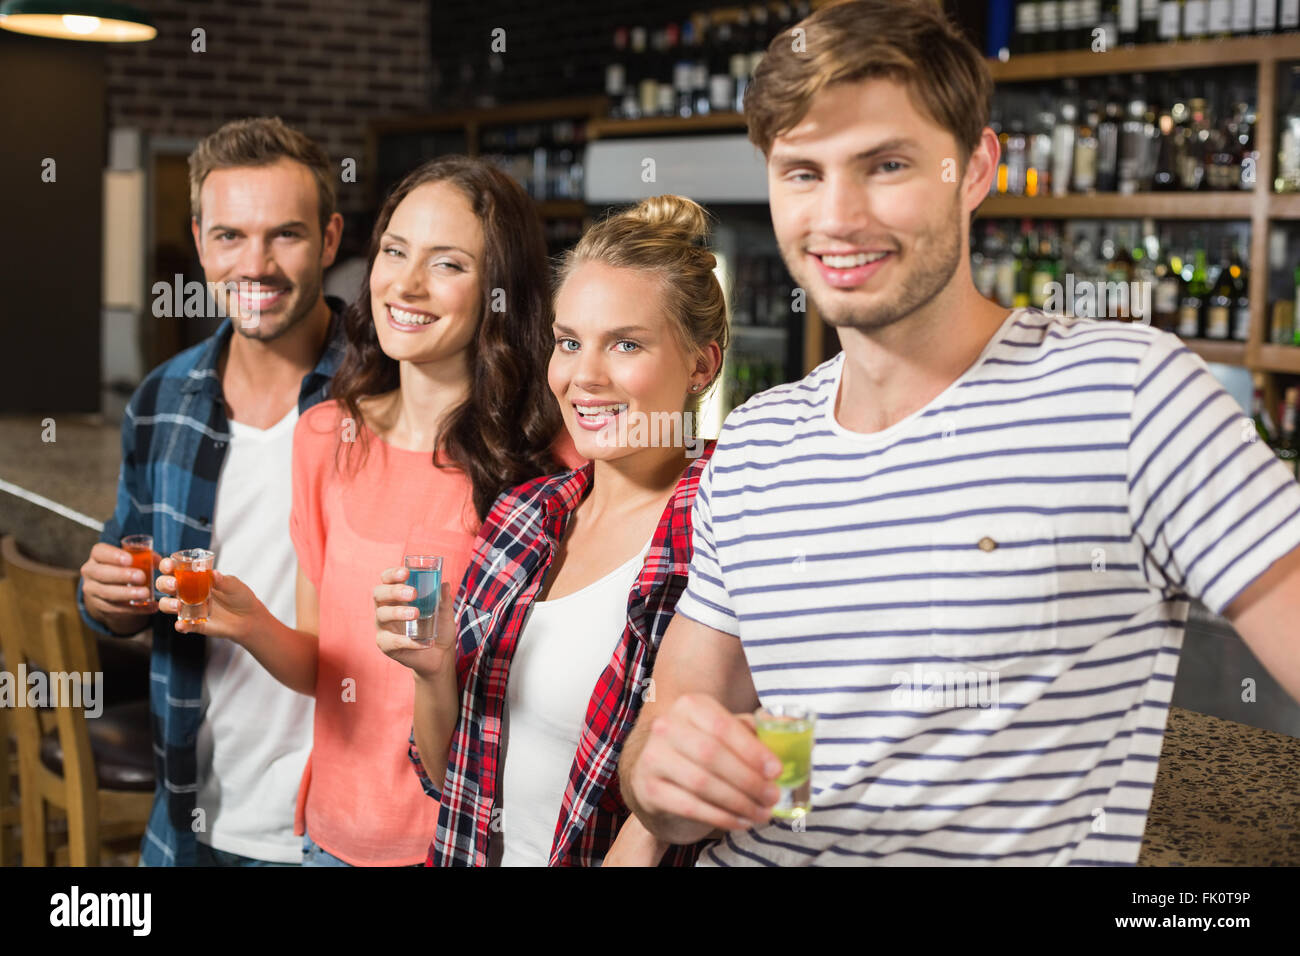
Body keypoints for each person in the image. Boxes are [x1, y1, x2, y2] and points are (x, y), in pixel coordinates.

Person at [619, 0, 1300, 866]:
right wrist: (664, 779)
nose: (839, 215)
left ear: (977, 168)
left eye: (887, 164)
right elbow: (667, 744)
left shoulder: (1128, 394)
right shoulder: (753, 446)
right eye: (802, 172)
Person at [155, 155, 580, 866]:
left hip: (467, 843)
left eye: (447, 264)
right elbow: (326, 663)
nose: (405, 285)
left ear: (498, 291)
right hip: (328, 836)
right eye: (394, 251)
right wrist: (253, 623)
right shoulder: (327, 434)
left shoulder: (547, 458)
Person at [375, 195, 725, 866]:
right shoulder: (524, 516)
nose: (583, 377)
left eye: (626, 344)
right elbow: (451, 782)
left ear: (702, 366)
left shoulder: (729, 524)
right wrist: (432, 671)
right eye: (569, 343)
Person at [77, 117, 345, 866]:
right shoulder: (164, 397)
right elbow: (123, 571)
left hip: (336, 833)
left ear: (329, 240)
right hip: (189, 820)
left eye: (284, 236)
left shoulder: (389, 395)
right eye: (230, 237)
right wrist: (102, 598)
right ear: (200, 243)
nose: (254, 265)